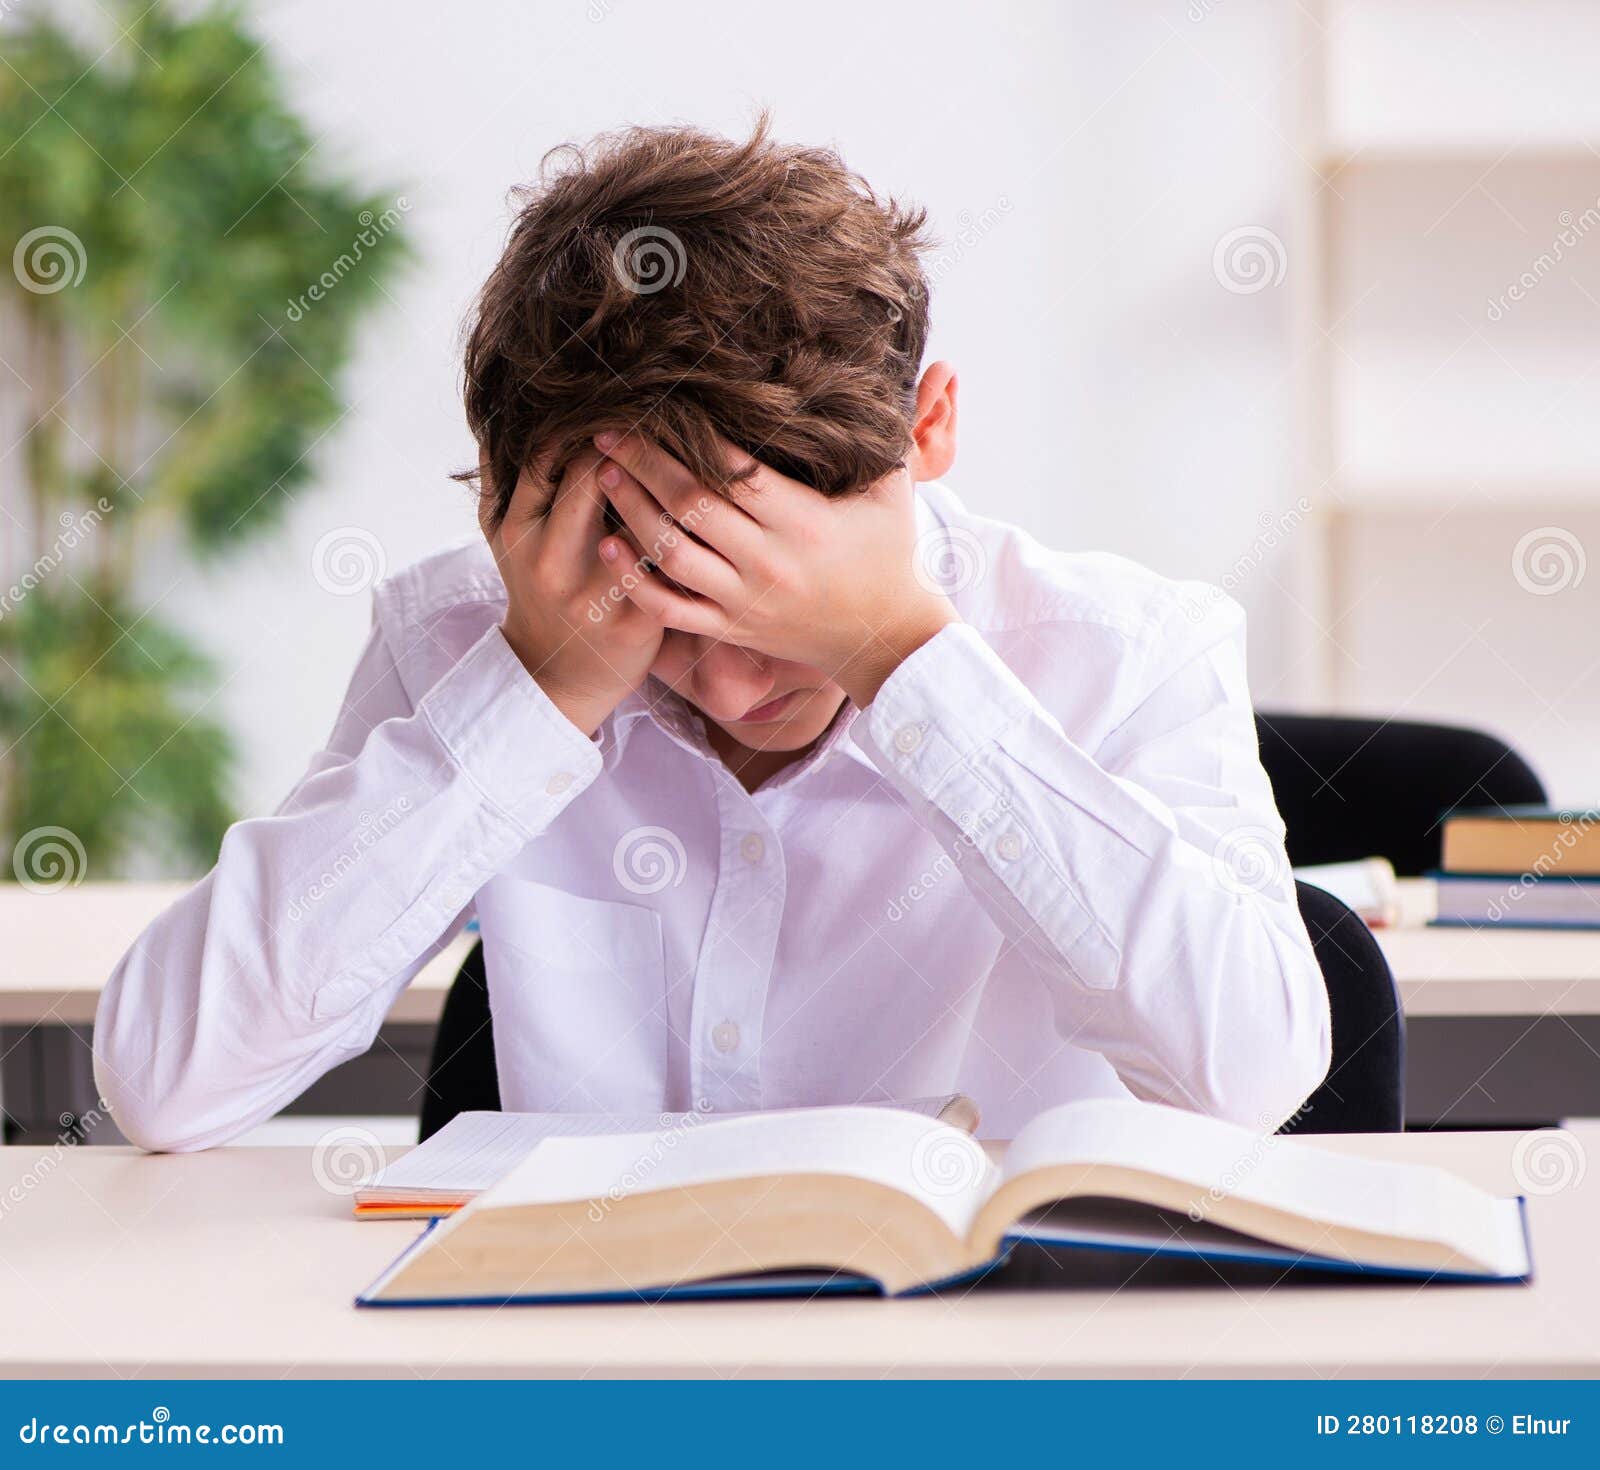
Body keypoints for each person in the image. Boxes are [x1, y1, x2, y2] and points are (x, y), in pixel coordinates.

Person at [94, 118, 1329, 1151]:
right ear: (503, 504)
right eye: (666, 614)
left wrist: (898, 658)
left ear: (927, 428)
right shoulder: (476, 638)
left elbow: (1252, 1073)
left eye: (776, 597)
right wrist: (535, 693)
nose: (735, 686)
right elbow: (165, 1082)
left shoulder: (1126, 647)